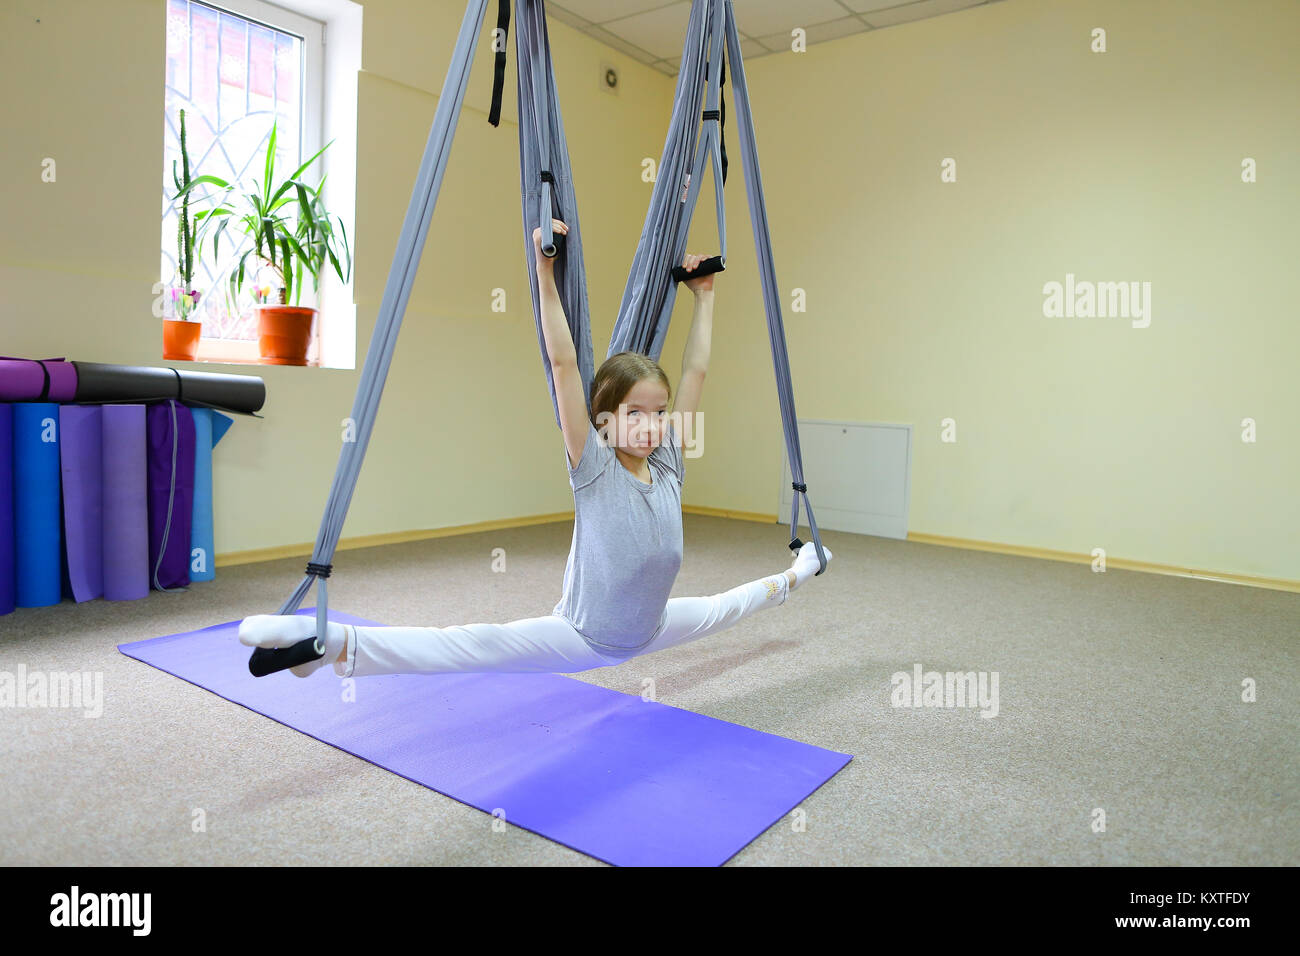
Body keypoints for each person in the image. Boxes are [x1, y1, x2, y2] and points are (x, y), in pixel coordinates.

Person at [239, 218, 831, 678]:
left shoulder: (669, 464)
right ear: (603, 421)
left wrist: (704, 297)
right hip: (581, 636)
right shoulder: (595, 468)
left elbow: (696, 370)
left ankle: (801, 568)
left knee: (734, 603)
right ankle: (331, 643)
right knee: (477, 646)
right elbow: (563, 363)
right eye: (635, 414)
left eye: (659, 412)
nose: (652, 426)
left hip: (652, 628)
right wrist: (545, 275)